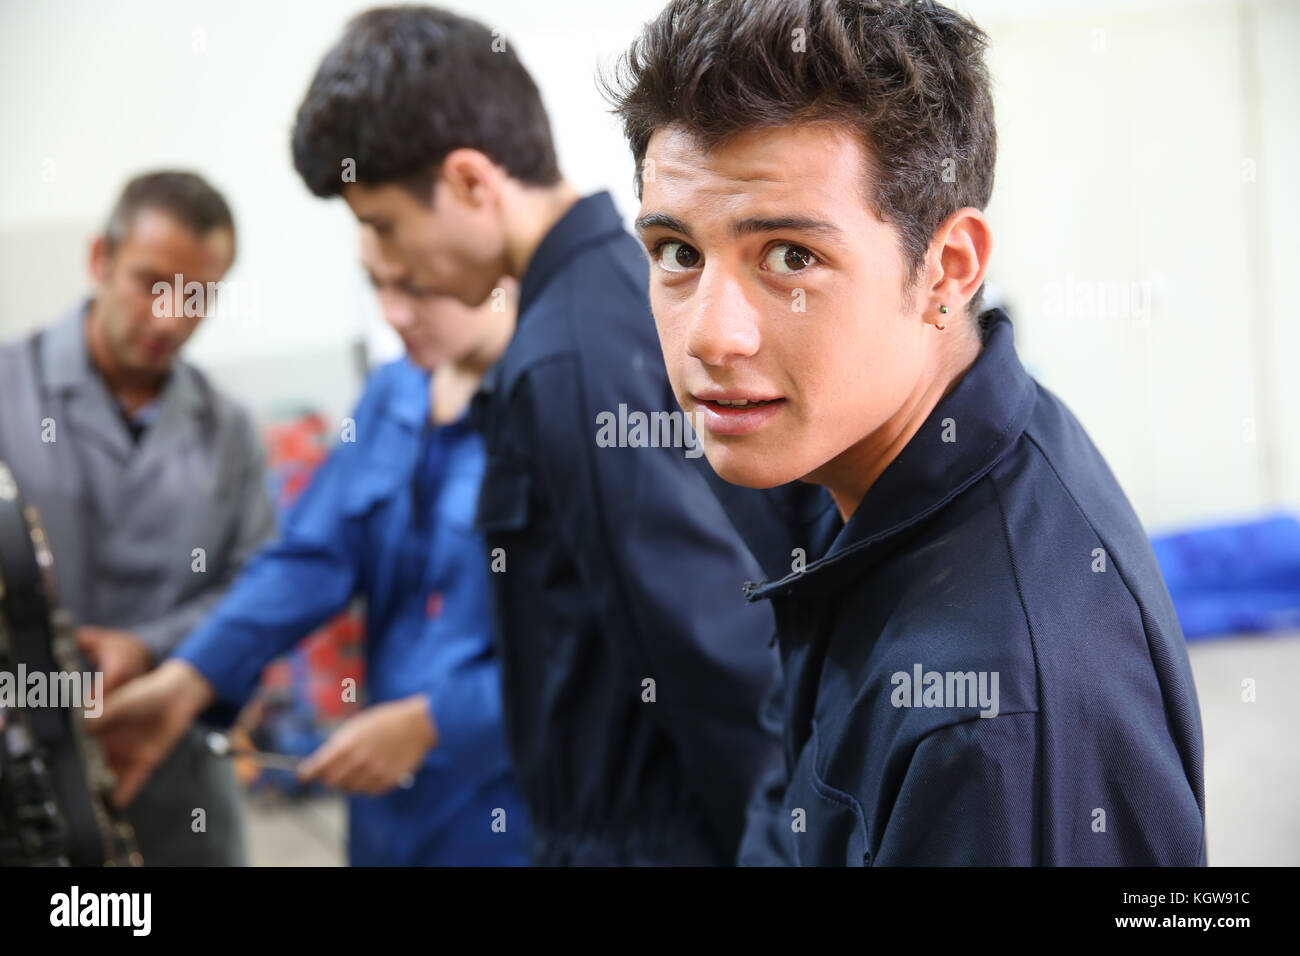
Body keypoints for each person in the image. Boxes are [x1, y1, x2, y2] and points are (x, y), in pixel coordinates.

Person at [608, 0, 1206, 865]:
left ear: (947, 271)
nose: (709, 336)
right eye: (677, 253)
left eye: (789, 257)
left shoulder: (997, 722)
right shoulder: (861, 463)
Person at [288, 6, 782, 865]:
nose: (390, 266)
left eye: (386, 226)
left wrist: (767, 851)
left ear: (474, 182)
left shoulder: (567, 356)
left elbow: (707, 640)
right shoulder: (602, 299)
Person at [95, 230, 530, 866]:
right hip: (388, 804)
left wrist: (438, 721)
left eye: (413, 284)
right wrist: (187, 679)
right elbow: (312, 555)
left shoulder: (559, 405)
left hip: (514, 807)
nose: (391, 313)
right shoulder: (396, 392)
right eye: (376, 283)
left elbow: (601, 650)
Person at [0, 171, 270, 865]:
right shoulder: (8, 392)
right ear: (100, 259)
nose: (170, 318)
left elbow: (258, 590)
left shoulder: (229, 430)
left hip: (178, 779)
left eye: (198, 295)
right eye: (151, 282)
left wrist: (147, 647)